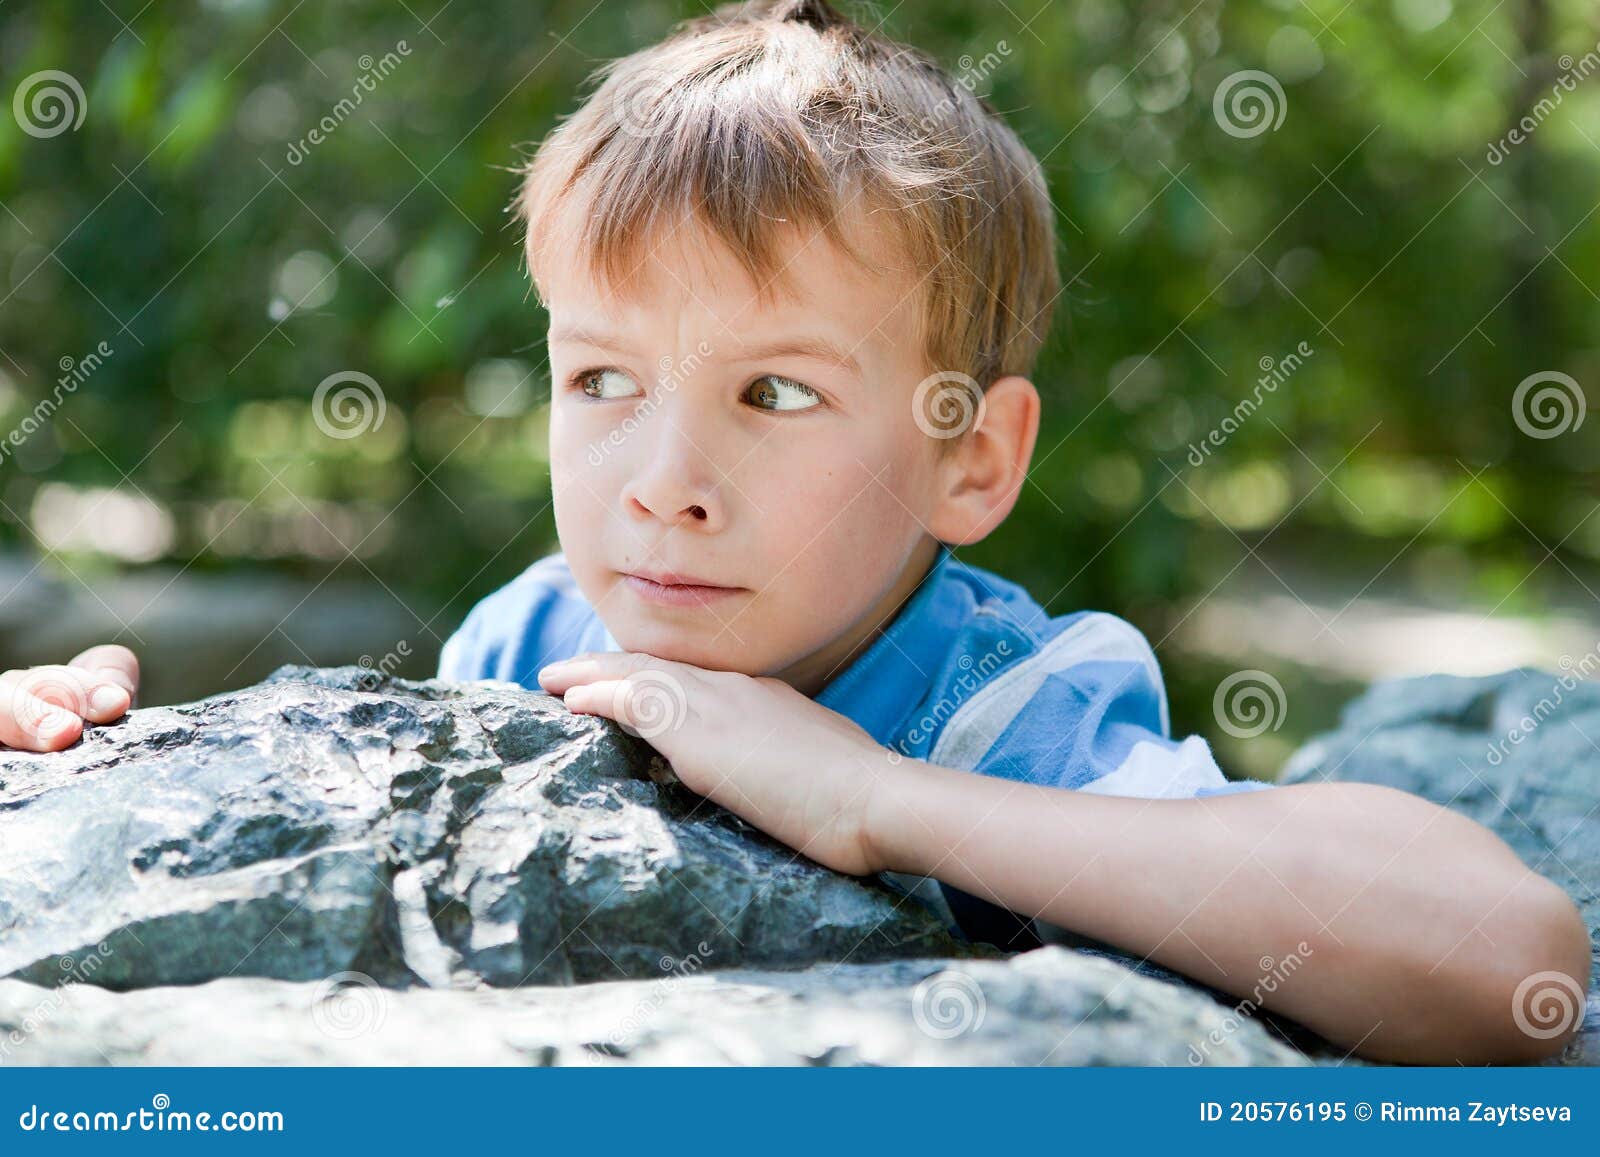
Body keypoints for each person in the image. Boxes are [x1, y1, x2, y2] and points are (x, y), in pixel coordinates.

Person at [2, 0, 1587, 1065]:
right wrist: (86, 753)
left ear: (973, 457)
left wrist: (878, 796)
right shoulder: (540, 636)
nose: (661, 480)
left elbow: (1509, 961)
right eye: (604, 378)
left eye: (774, 393)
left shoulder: (997, 708)